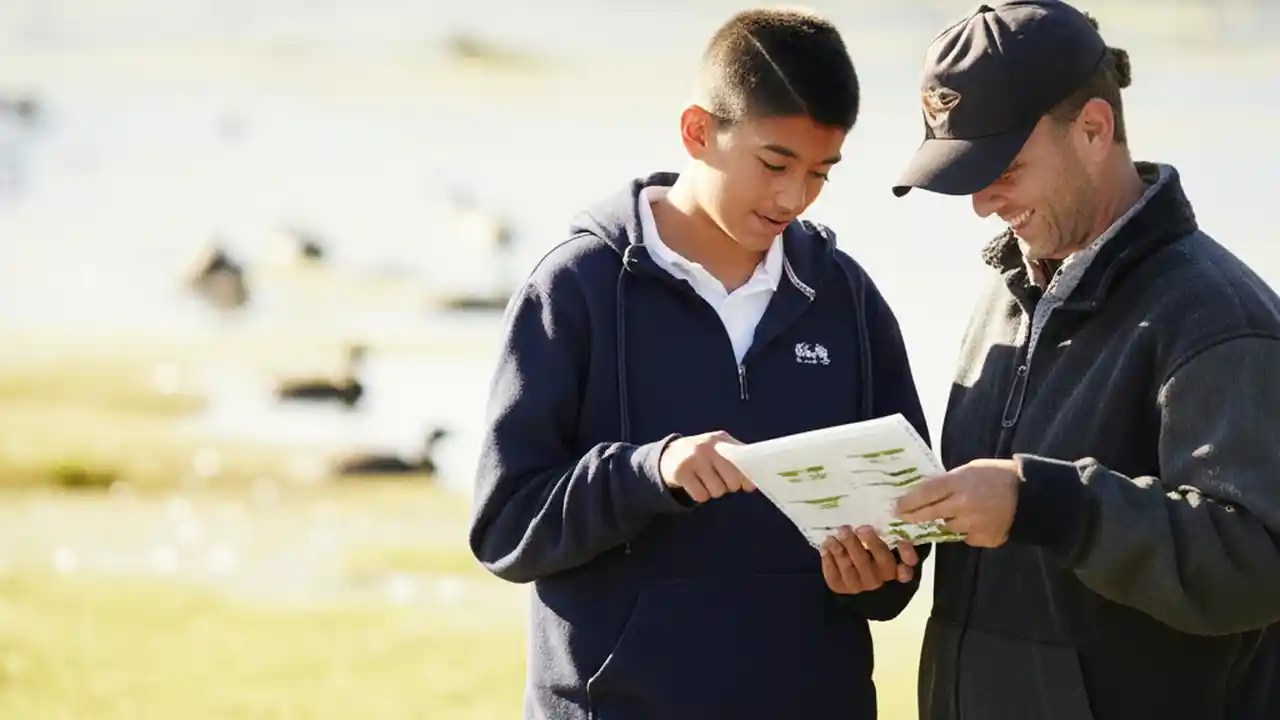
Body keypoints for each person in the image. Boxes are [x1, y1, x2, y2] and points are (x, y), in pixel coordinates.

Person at [469, 8, 929, 719]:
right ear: (697, 132)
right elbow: (506, 529)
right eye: (775, 163)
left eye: (819, 173)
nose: (793, 197)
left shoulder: (849, 302)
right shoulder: (576, 289)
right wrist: (650, 470)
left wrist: (878, 573)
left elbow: (901, 554)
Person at [889, 1, 1280, 718]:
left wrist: (1046, 501)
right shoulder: (1010, 291)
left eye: (1003, 166)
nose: (982, 204)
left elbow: (1256, 564)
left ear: (1095, 129)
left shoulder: (1222, 320)